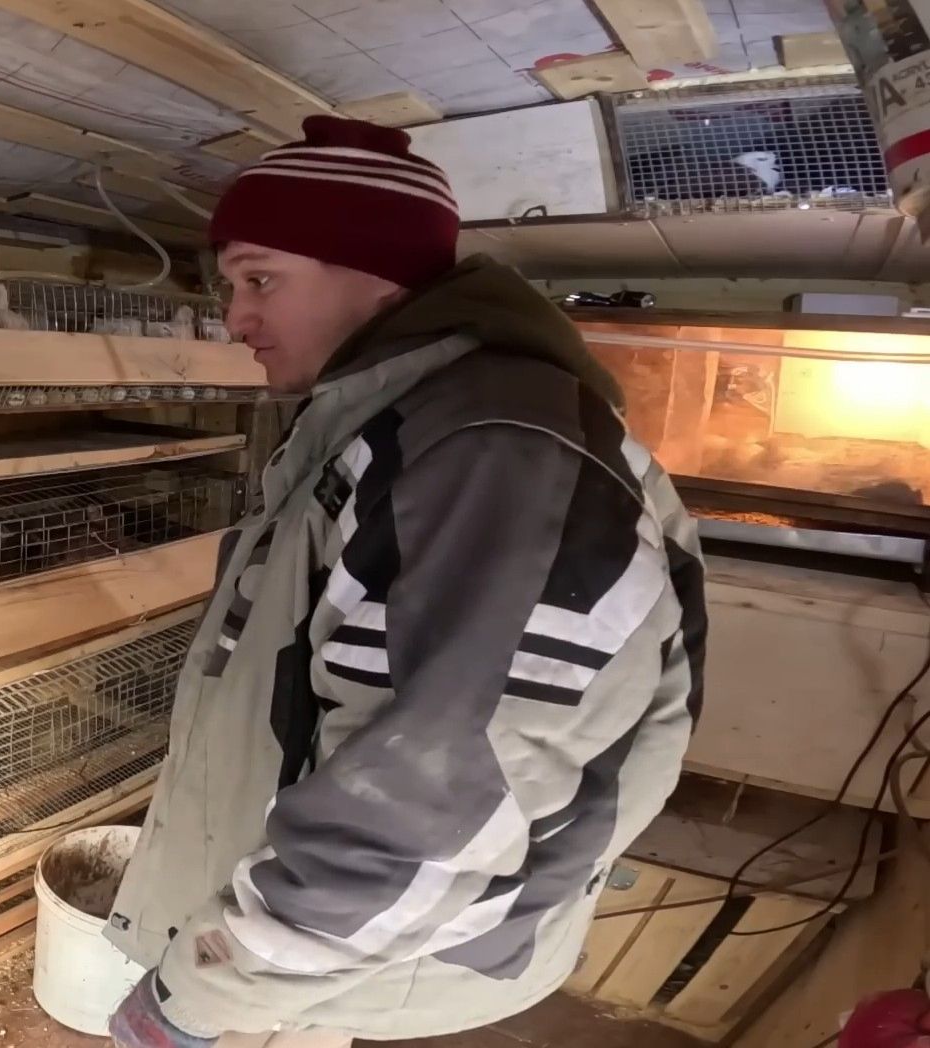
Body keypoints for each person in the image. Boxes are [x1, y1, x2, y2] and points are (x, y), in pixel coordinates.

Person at [103, 116, 708, 1048]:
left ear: (378, 274)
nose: (235, 319)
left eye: (260, 279)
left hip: (342, 953)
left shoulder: (489, 452)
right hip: (328, 947)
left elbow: (435, 794)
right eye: (230, 286)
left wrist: (210, 991)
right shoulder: (385, 423)